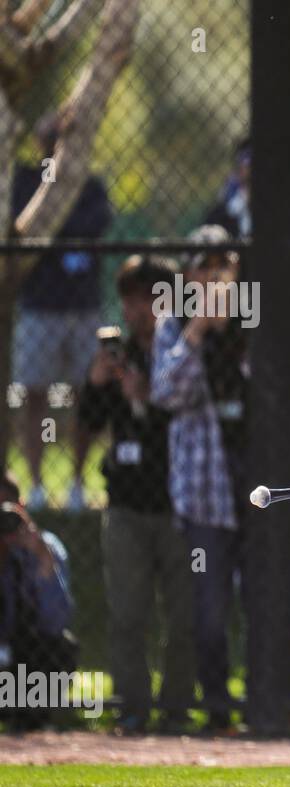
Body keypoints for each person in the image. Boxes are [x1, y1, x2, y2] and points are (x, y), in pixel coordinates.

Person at [78, 256, 195, 734]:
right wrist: (96, 384)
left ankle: (176, 707)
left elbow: (188, 416)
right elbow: (83, 430)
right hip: (125, 505)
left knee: (184, 614)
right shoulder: (117, 357)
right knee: (127, 613)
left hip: (177, 502)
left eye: (148, 297)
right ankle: (132, 705)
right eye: (129, 298)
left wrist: (145, 395)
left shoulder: (182, 353)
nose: (138, 309)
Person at [151, 225, 250, 734]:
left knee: (262, 603)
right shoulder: (174, 324)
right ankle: (218, 710)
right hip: (204, 489)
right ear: (188, 275)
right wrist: (197, 331)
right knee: (209, 612)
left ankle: (270, 710)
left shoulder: (255, 319)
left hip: (256, 487)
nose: (213, 277)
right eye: (204, 268)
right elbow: (166, 393)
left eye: (223, 267)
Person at [9, 114, 114, 512]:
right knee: (33, 393)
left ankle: (76, 483)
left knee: (84, 395)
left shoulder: (90, 183)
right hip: (39, 307)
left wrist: (55, 232)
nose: (54, 145)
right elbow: (26, 227)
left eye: (62, 137)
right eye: (49, 138)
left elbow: (96, 222)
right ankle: (34, 486)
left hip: (83, 307)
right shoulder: (23, 182)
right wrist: (63, 230)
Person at [0, 473, 77, 730]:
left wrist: (43, 561)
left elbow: (57, 622)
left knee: (60, 646)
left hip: (29, 653)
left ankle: (33, 719)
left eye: (7, 507)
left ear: (21, 507)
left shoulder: (46, 546)